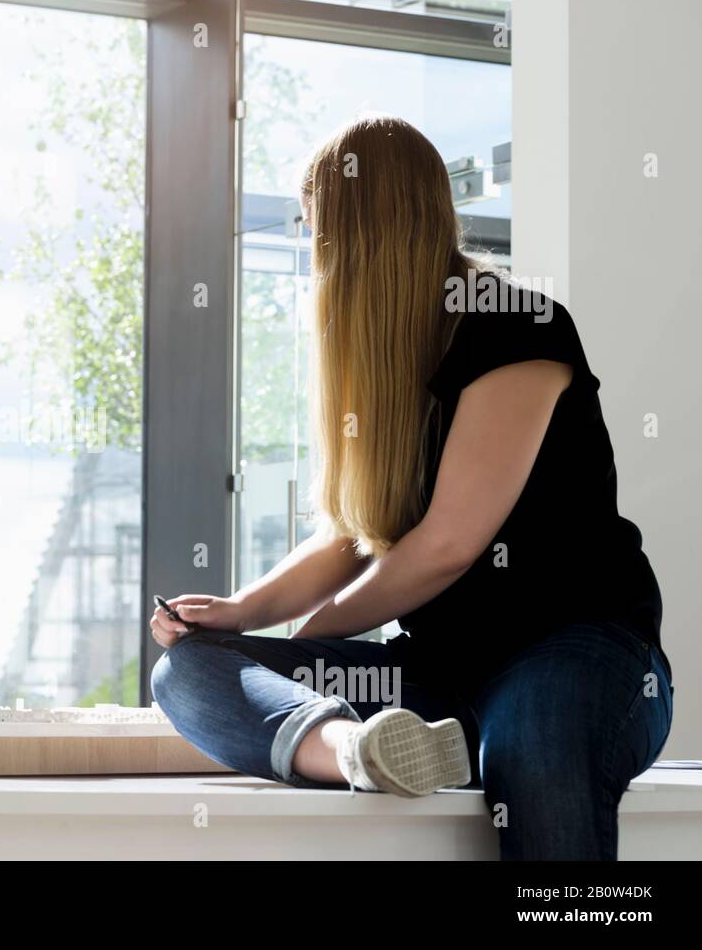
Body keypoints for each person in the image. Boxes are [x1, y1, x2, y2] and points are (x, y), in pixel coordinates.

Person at [150, 114, 673, 860]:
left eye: (316, 229)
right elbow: (355, 535)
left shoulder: (520, 327)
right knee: (190, 670)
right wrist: (239, 613)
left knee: (532, 751)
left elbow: (447, 546)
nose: (311, 254)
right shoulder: (386, 367)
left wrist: (312, 635)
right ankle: (362, 753)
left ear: (354, 232)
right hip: (438, 681)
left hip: (574, 649)